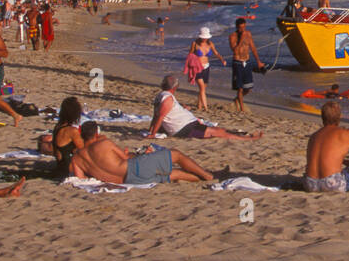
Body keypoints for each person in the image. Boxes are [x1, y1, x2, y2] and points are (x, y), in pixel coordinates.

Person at [70, 122, 215, 185]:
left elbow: (81, 180)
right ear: (96, 134)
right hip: (133, 168)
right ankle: (207, 175)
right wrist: (135, 154)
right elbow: (125, 158)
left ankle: (200, 178)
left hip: (127, 181)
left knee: (173, 174)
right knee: (175, 155)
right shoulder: (104, 143)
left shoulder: (76, 159)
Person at [146, 75, 261, 141]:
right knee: (217, 133)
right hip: (185, 128)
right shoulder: (167, 99)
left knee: (218, 130)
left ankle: (244, 136)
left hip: (188, 124)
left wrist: (151, 130)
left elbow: (156, 116)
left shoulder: (162, 96)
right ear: (175, 87)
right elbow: (159, 117)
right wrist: (152, 134)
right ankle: (248, 139)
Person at [228, 17, 265, 113]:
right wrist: (241, 39)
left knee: (248, 88)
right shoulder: (232, 36)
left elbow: (253, 48)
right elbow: (234, 50)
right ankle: (242, 108)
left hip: (247, 62)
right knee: (240, 88)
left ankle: (237, 100)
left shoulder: (248, 34)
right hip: (237, 62)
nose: (242, 30)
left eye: (244, 27)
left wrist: (258, 61)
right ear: (237, 27)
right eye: (240, 28)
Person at [187, 27, 226, 111]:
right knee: (202, 88)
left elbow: (216, 53)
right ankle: (206, 108)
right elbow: (190, 55)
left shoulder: (210, 44)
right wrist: (189, 67)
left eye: (206, 37)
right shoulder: (195, 43)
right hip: (197, 67)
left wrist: (222, 60)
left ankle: (199, 106)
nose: (204, 39)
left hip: (207, 67)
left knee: (203, 88)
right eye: (203, 37)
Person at [50, 97, 84, 179]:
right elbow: (83, 149)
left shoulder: (58, 127)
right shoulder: (72, 131)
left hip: (60, 165)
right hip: (68, 168)